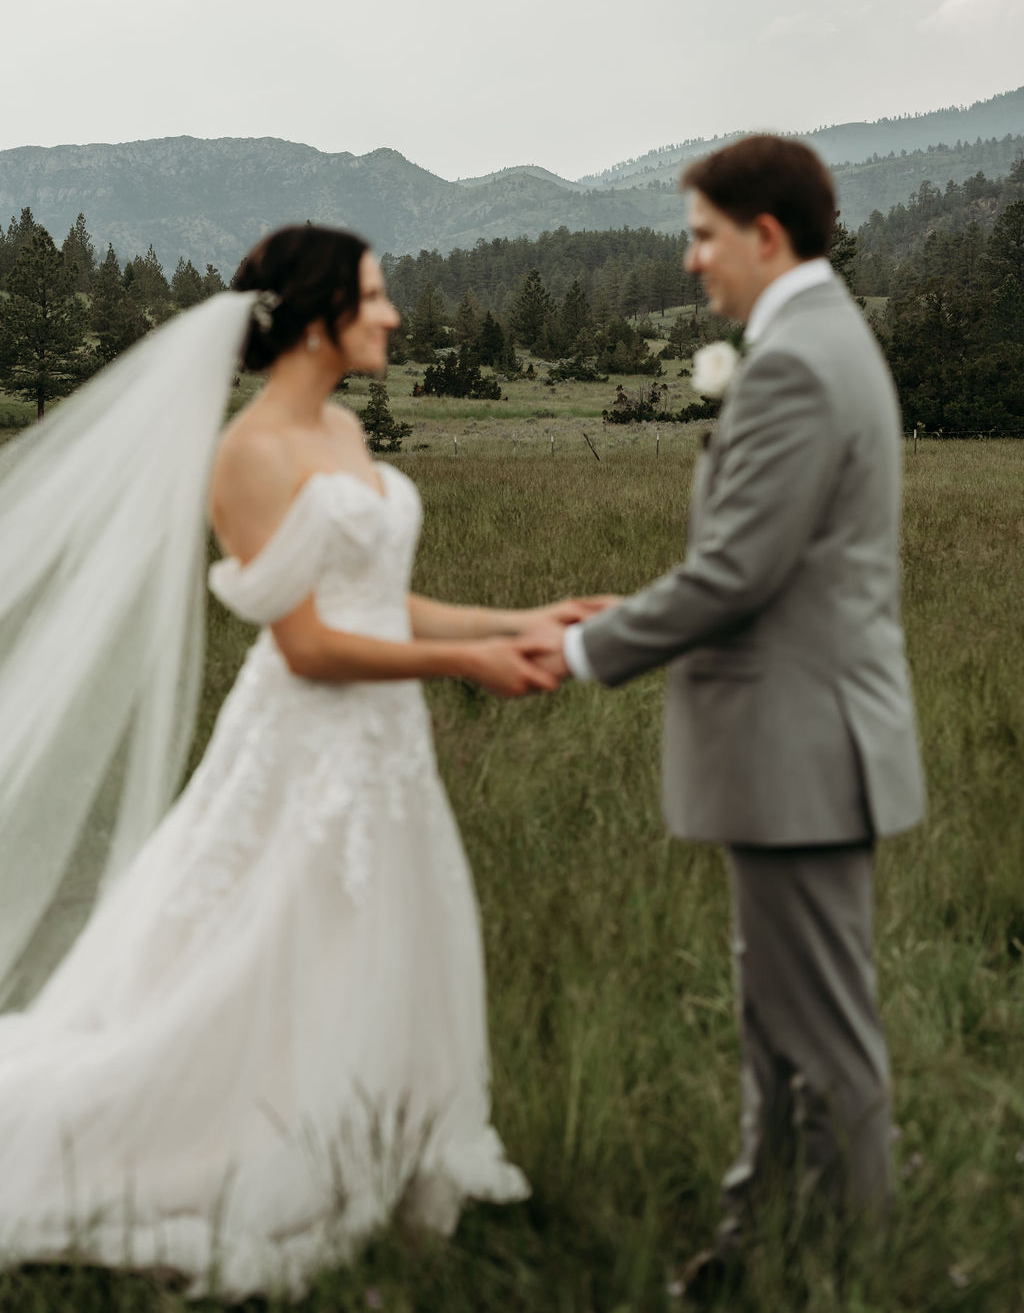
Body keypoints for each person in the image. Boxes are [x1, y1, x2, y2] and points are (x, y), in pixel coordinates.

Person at [0, 225, 608, 1298]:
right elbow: (309, 642)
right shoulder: (247, 456)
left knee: (362, 935)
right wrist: (463, 663)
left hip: (382, 744)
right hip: (303, 740)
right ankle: (220, 1138)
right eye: (375, 296)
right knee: (266, 938)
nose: (393, 315)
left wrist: (517, 618)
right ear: (323, 312)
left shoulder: (338, 430)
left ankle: (366, 1132)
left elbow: (373, 598)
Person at [529, 135, 926, 1295]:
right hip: (798, 742)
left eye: (702, 233)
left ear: (765, 233)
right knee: (779, 1023)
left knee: (823, 1041)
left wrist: (582, 647)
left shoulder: (800, 360)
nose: (689, 258)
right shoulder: (816, 336)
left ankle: (850, 1267)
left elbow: (739, 575)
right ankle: (757, 1251)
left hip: (797, 744)